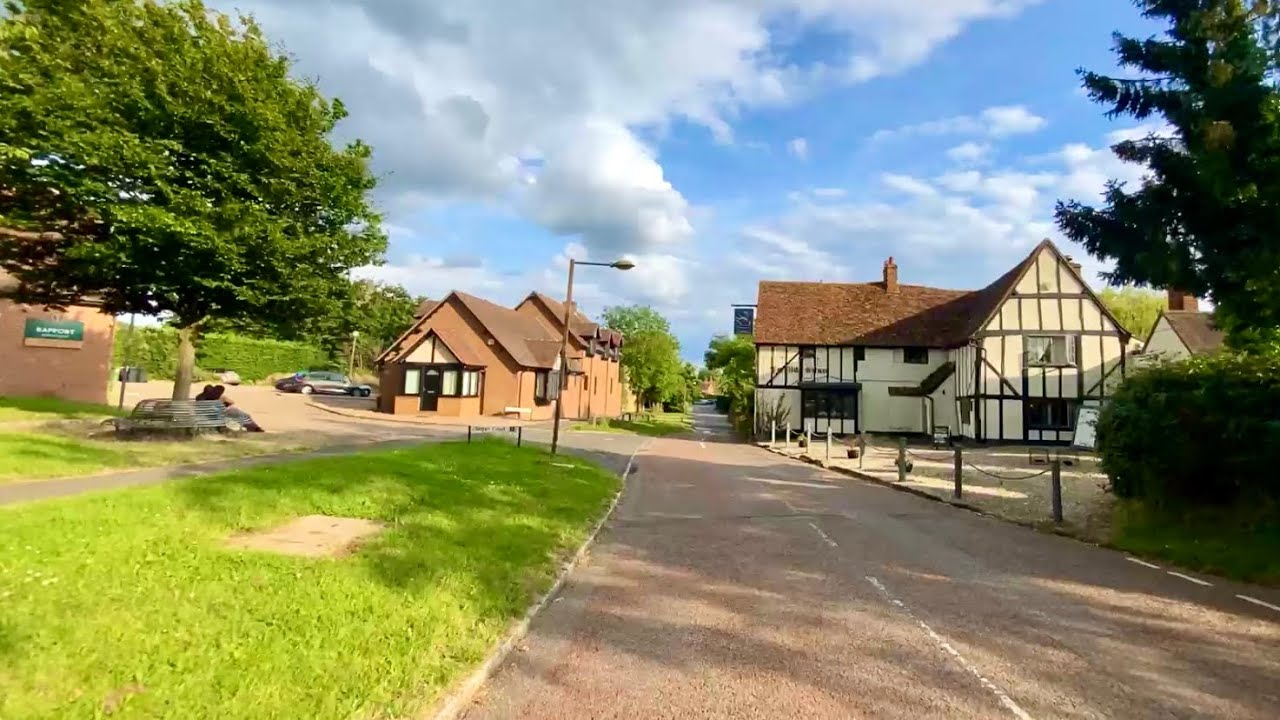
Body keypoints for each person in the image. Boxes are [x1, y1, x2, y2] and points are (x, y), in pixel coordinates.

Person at [194, 384, 264, 432]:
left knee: (239, 414)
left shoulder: (200, 398)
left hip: (215, 415)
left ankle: (253, 427)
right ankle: (254, 427)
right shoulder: (212, 398)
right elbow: (231, 403)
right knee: (240, 414)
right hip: (218, 416)